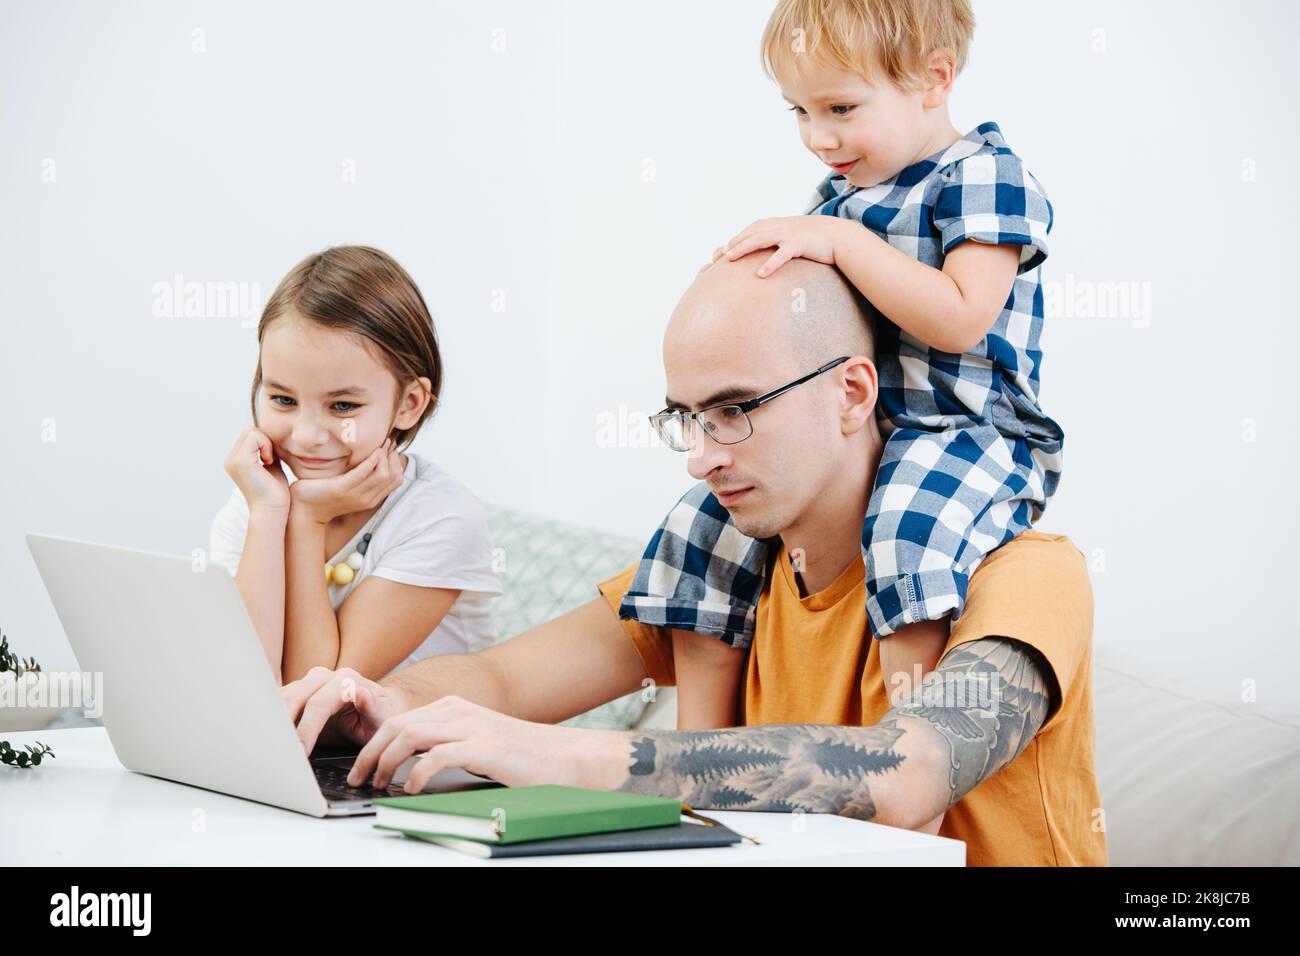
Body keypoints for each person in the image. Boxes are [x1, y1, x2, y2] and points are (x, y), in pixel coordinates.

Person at [282, 254, 1106, 866]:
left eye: (735, 410)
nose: (701, 457)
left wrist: (559, 754)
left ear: (852, 393)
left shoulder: (1028, 577)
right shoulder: (720, 561)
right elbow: (500, 683)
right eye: (686, 418)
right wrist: (378, 701)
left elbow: (908, 771)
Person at [628, 0, 1065, 762]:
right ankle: (694, 767)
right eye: (799, 110)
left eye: (840, 107)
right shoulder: (840, 197)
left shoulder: (984, 175)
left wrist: (836, 239)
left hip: (971, 434)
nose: (818, 136)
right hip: (876, 438)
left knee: (908, 532)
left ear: (935, 78)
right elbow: (793, 310)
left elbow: (963, 318)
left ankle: (903, 759)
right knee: (696, 531)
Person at [210, 245, 501, 684]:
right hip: (297, 752)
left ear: (409, 404)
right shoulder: (256, 504)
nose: (306, 434)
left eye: (343, 405)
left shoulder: (441, 519)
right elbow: (247, 687)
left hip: (413, 754)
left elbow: (313, 692)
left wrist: (307, 518)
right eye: (283, 399)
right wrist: (271, 515)